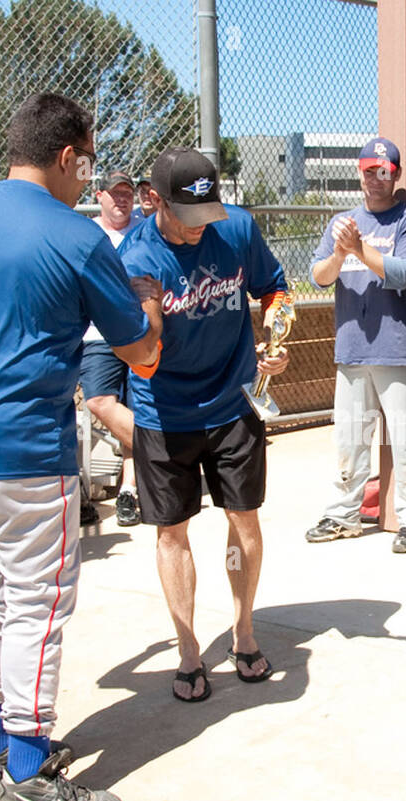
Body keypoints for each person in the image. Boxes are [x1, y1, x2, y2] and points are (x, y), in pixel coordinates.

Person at [0, 93, 162, 801]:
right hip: (19, 441)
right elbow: (141, 356)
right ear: (63, 156)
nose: (87, 177)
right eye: (85, 162)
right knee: (38, 603)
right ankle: (27, 775)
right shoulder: (76, 235)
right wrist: (146, 303)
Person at [119, 147, 290, 702]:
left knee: (245, 521)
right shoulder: (135, 257)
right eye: (186, 218)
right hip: (163, 411)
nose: (199, 230)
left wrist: (275, 331)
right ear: (153, 201)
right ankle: (189, 650)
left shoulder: (235, 228)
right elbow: (139, 357)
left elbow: (275, 288)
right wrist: (147, 319)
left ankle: (243, 632)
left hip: (234, 402)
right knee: (172, 531)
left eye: (206, 215)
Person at [305, 137, 406, 553]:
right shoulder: (342, 221)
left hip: (397, 347)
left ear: (394, 174)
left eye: (383, 171)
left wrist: (359, 247)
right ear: (359, 174)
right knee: (350, 439)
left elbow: (403, 274)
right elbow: (319, 276)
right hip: (353, 347)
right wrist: (342, 254)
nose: (375, 178)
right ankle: (344, 514)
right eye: (368, 171)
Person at [80, 170, 143, 526]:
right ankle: (163, 452)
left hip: (138, 332)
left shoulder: (144, 230)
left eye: (127, 194)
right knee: (100, 402)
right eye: (115, 194)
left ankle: (128, 492)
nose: (122, 200)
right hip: (96, 334)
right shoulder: (87, 232)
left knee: (137, 404)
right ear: (99, 195)